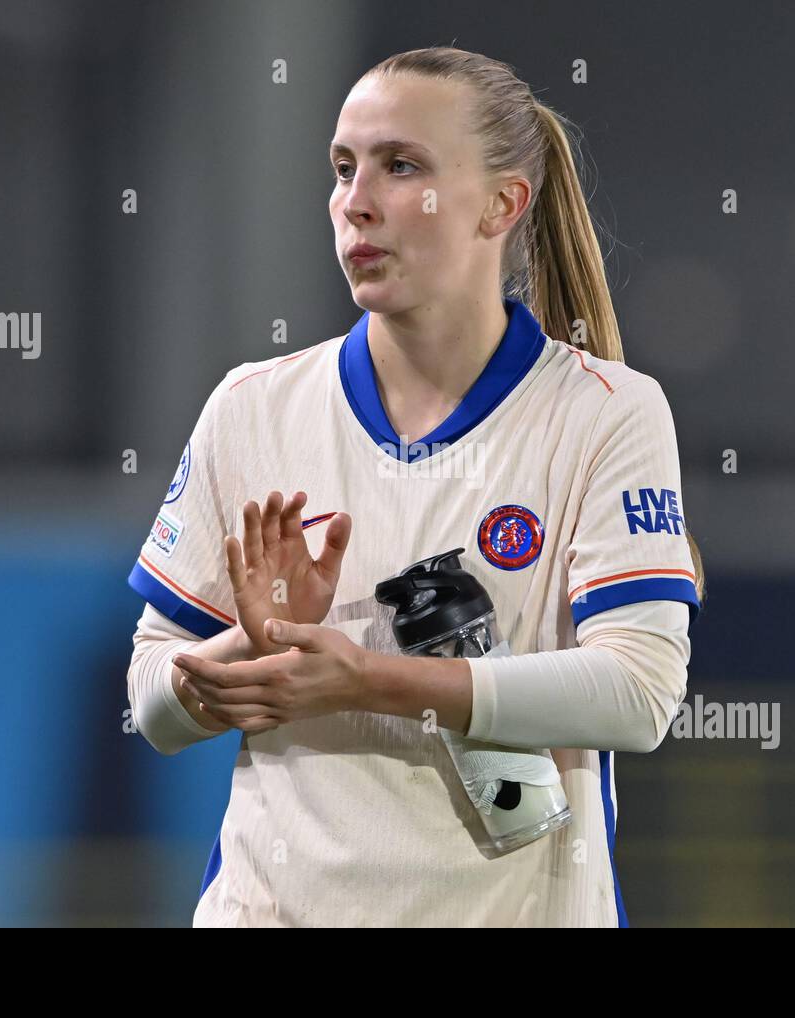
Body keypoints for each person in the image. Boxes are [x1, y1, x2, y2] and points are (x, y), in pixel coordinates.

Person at [126, 45, 705, 927]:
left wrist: (368, 678)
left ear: (502, 204)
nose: (356, 200)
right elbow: (154, 704)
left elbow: (640, 693)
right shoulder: (252, 407)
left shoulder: (606, 415)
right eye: (343, 167)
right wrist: (259, 647)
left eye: (402, 167)